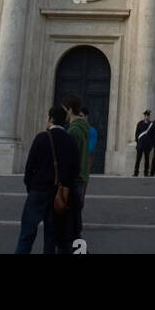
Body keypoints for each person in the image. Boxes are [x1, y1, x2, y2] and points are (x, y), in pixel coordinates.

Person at [15, 105, 80, 254]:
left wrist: (31, 187)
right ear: (65, 121)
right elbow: (74, 171)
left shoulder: (41, 138)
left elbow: (29, 167)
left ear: (51, 119)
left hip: (38, 192)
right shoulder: (70, 141)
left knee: (26, 234)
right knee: (51, 237)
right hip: (57, 195)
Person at [63, 94, 91, 242]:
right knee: (76, 214)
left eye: (64, 110)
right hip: (81, 175)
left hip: (74, 178)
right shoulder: (84, 128)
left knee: (70, 217)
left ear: (69, 110)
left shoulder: (73, 131)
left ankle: (73, 245)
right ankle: (77, 244)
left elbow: (70, 158)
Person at [134, 110, 153, 175]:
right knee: (138, 159)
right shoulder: (140, 123)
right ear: (144, 116)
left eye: (148, 116)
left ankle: (146, 172)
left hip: (147, 145)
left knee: (147, 160)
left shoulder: (151, 124)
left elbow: (152, 135)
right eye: (146, 116)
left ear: (149, 117)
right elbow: (137, 134)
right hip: (140, 144)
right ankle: (136, 172)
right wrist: (138, 142)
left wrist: (151, 144)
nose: (147, 117)